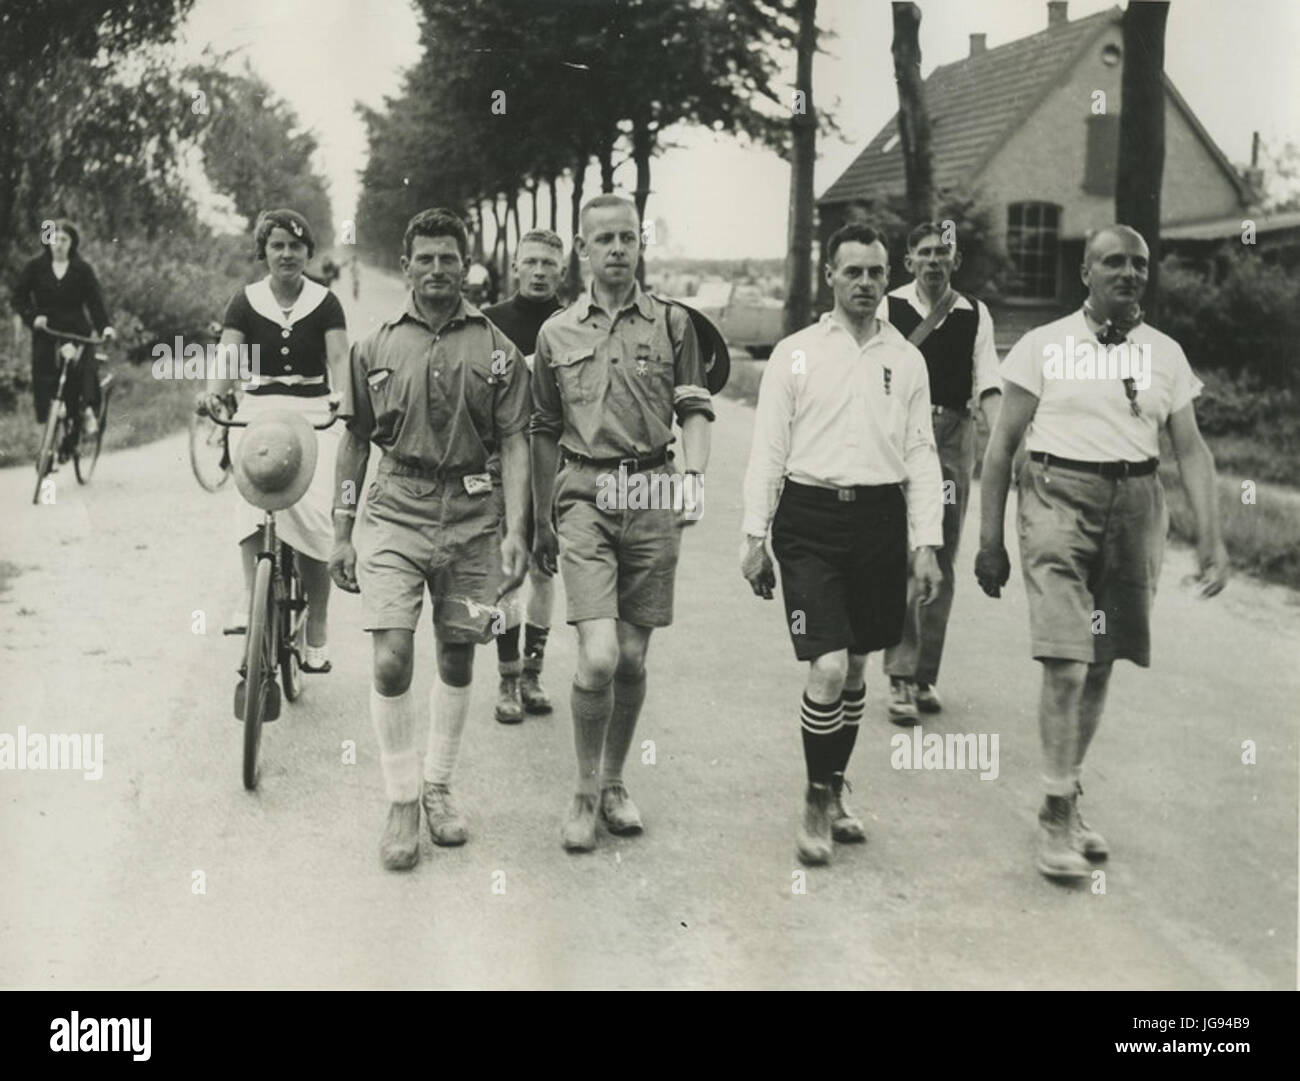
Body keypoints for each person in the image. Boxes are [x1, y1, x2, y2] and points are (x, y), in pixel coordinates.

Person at [976, 224, 1230, 882]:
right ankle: (1056, 813)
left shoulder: (1166, 354)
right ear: (1085, 272)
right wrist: (989, 541)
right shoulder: (1043, 345)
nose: (1128, 272)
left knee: (1100, 663)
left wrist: (1211, 537)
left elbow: (1191, 450)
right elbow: (1001, 449)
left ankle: (1065, 788)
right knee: (1067, 661)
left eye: (1139, 263)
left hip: (1136, 507)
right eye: (1113, 261)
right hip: (1056, 501)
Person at [330, 208, 530, 872]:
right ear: (407, 265)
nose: (437, 269)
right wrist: (341, 530)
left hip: (473, 513)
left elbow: (516, 441)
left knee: (457, 653)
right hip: (396, 507)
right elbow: (355, 440)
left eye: (449, 258)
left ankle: (439, 785)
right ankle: (401, 799)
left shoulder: (498, 348)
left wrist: (518, 529)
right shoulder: (374, 346)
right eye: (425, 259)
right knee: (391, 658)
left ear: (465, 266)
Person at [741, 223, 944, 867]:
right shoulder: (796, 353)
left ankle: (833, 789)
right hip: (809, 520)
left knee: (856, 667)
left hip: (879, 521)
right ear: (829, 275)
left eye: (876, 272)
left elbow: (921, 452)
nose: (865, 283)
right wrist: (754, 536)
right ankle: (813, 797)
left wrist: (927, 543)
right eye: (852, 271)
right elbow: (768, 450)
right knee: (826, 666)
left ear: (890, 277)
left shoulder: (906, 359)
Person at [531, 193, 713, 853]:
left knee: (632, 656)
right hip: (584, 492)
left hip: (654, 489)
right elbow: (544, 428)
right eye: (603, 239)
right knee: (599, 654)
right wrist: (541, 518)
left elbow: (694, 408)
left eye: (627, 237)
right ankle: (583, 791)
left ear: (641, 244)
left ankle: (613, 780)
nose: (616, 249)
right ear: (581, 249)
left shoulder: (672, 323)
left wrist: (693, 478)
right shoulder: (555, 333)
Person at [201, 210, 348, 675]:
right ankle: (252, 596)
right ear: (264, 252)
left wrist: (344, 400)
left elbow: (339, 358)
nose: (287, 254)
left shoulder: (325, 302)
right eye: (277, 245)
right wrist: (214, 393)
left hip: (313, 414)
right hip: (258, 412)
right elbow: (228, 356)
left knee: (316, 514)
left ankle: (317, 624)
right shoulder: (245, 301)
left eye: (296, 246)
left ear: (308, 252)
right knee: (251, 502)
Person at [880, 222, 1001, 722]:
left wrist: (1005, 445)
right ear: (909, 261)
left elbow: (988, 383)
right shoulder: (889, 308)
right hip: (900, 435)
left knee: (942, 551)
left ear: (956, 260)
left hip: (952, 437)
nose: (934, 260)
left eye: (942, 253)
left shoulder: (974, 313)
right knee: (906, 551)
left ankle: (924, 675)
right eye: (925, 252)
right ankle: (900, 675)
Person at [482, 228, 566, 723]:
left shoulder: (572, 323)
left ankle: (533, 673)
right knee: (506, 568)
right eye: (530, 262)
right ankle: (507, 677)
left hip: (556, 462)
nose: (538, 272)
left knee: (543, 567)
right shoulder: (489, 322)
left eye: (548, 264)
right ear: (515, 266)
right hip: (501, 460)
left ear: (562, 271)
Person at [12, 219, 115, 437]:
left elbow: (95, 302)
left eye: (64, 239)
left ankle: (86, 412)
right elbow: (18, 298)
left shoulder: (82, 270)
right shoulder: (35, 267)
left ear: (72, 243)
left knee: (81, 372)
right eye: (54, 239)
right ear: (47, 241)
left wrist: (105, 327)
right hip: (47, 331)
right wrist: (33, 318)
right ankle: (53, 423)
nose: (58, 244)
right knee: (44, 373)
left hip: (76, 331)